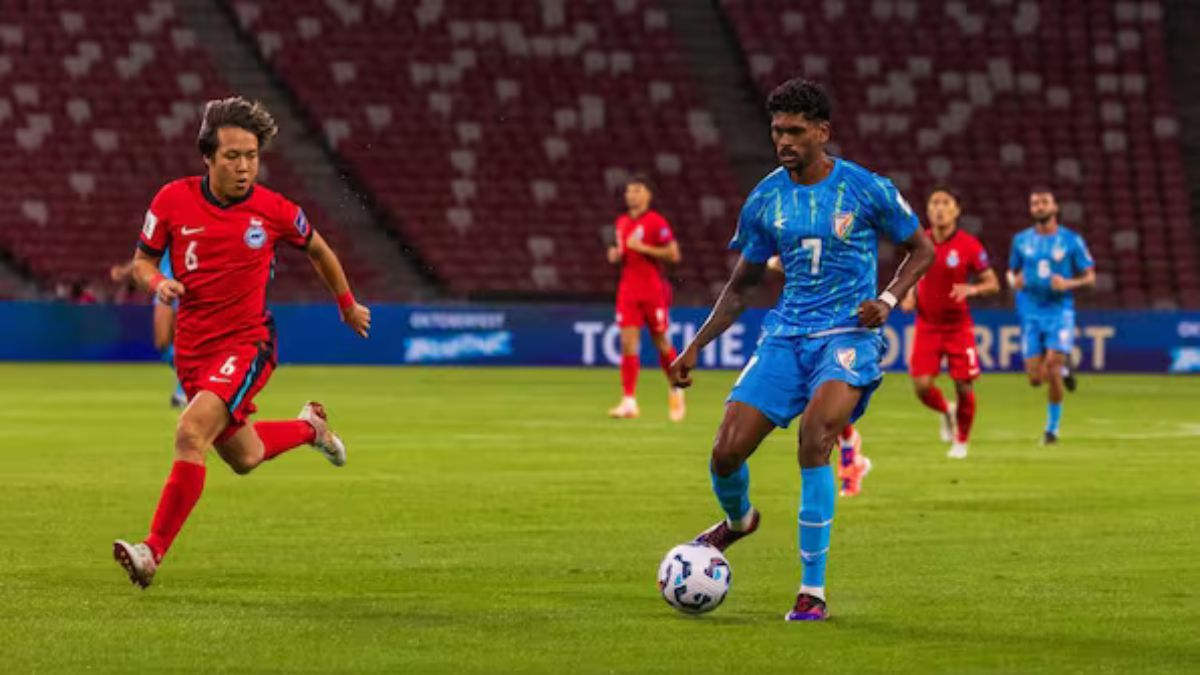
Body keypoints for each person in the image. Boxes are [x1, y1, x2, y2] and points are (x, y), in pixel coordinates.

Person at [669, 78, 934, 621]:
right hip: (785, 337)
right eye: (776, 131)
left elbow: (921, 249)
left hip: (847, 338)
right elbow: (743, 284)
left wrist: (887, 298)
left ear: (822, 132)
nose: (783, 141)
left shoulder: (865, 189)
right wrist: (695, 345)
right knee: (725, 452)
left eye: (794, 131)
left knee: (816, 438)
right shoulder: (766, 198)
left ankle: (812, 591)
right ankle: (740, 521)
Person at [112, 96, 372, 588]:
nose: (244, 166)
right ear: (207, 157)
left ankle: (152, 551)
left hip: (247, 343)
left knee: (190, 434)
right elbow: (143, 260)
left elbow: (318, 249)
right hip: (193, 349)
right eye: (232, 156)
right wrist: (157, 283)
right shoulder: (171, 199)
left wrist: (347, 304)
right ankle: (310, 429)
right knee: (245, 457)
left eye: (251, 156)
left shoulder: (274, 210)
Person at [900, 187, 999, 458]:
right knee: (921, 386)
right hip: (927, 325)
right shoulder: (921, 243)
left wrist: (973, 290)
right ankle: (947, 411)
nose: (939, 208)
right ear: (928, 210)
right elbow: (914, 275)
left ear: (956, 210)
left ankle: (961, 440)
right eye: (934, 203)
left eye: (945, 203)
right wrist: (909, 295)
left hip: (958, 326)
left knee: (964, 385)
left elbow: (993, 282)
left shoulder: (969, 245)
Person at [767, 255, 870, 496]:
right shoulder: (805, 236)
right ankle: (850, 450)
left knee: (825, 404)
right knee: (816, 406)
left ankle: (849, 463)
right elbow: (773, 261)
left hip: (838, 330)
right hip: (799, 328)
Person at [1007, 187, 1095, 444]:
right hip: (1030, 312)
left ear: (1055, 207)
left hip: (1059, 312)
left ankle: (1052, 430)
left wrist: (1068, 284)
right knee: (1035, 378)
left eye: (1044, 202)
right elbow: (1011, 273)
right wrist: (1015, 280)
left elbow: (1090, 276)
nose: (1039, 207)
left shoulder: (1071, 240)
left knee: (1052, 369)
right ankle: (1065, 369)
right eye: (1035, 203)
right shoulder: (1021, 241)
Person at [606, 174, 685, 421]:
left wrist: (644, 248)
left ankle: (676, 387)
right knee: (628, 344)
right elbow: (620, 251)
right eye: (629, 191)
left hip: (652, 290)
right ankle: (629, 401)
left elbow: (673, 255)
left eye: (637, 190)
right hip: (628, 290)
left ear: (648, 195)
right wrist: (616, 255)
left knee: (661, 341)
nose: (632, 194)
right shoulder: (621, 222)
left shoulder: (656, 222)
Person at [111, 255, 188, 407]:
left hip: (184, 284)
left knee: (183, 342)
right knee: (162, 342)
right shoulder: (162, 232)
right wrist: (125, 271)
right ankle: (185, 383)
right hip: (163, 285)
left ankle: (183, 391)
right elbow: (145, 255)